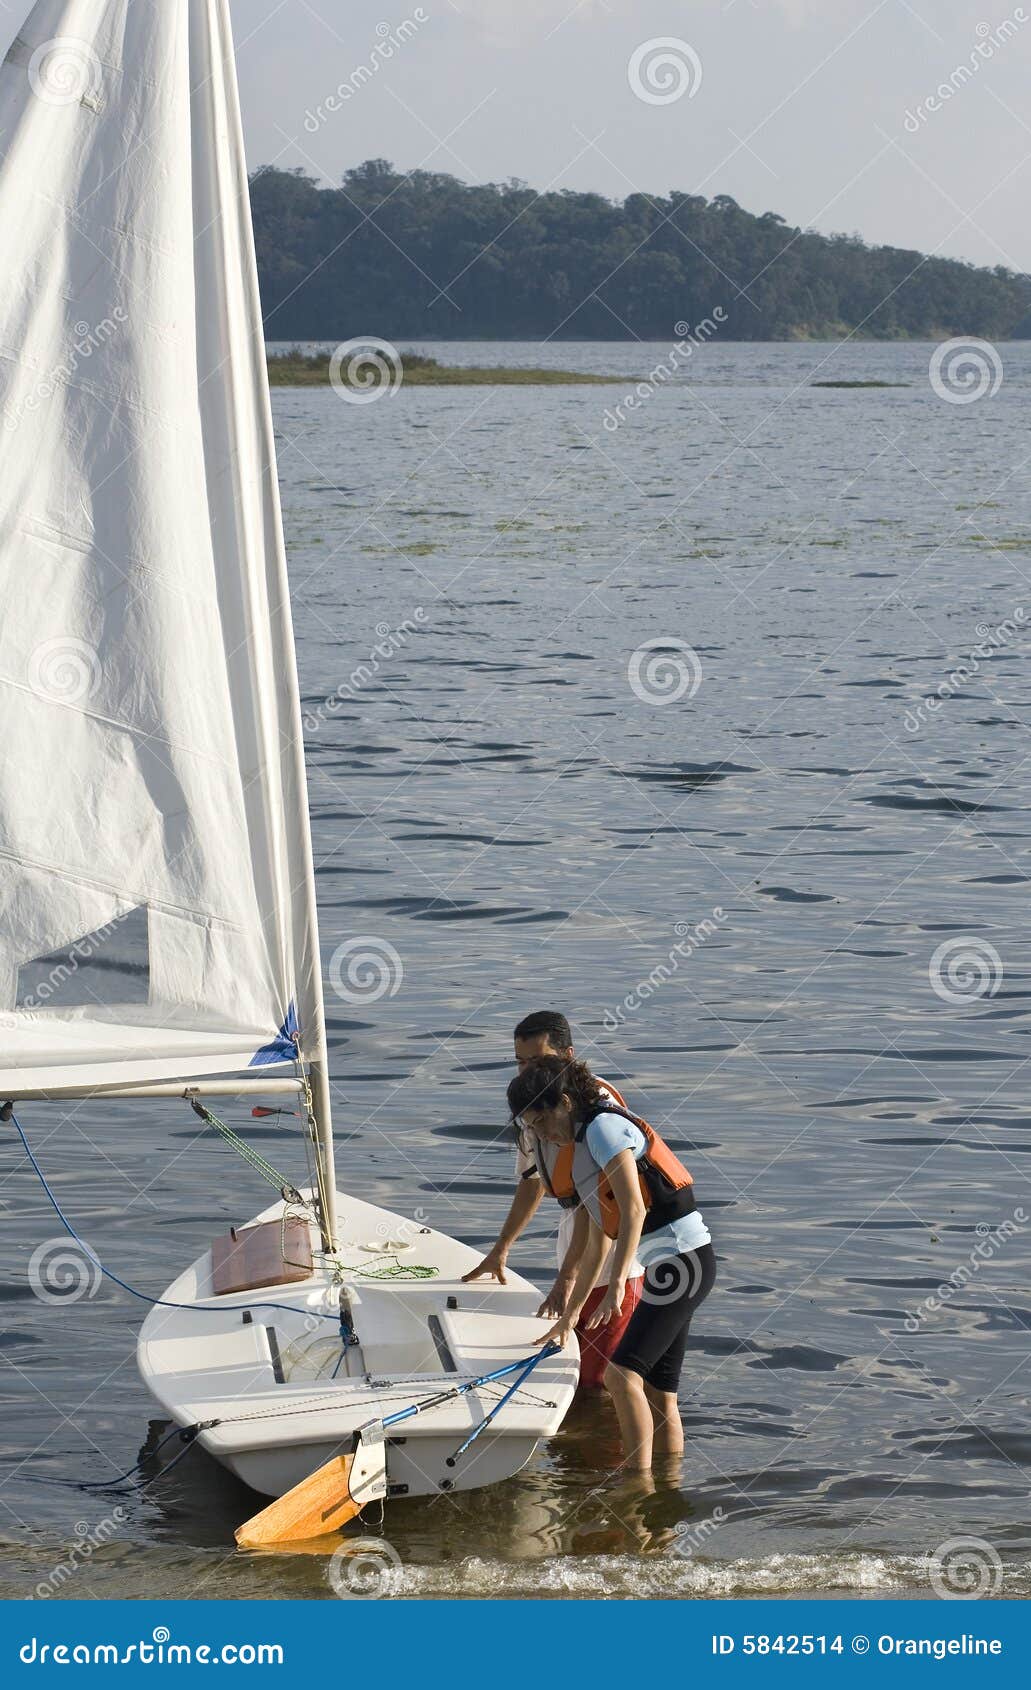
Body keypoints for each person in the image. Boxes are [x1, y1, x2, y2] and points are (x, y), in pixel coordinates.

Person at [506, 1055, 715, 1471]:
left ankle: (636, 1488)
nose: (541, 1135)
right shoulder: (581, 1146)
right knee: (659, 1393)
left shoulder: (602, 1128)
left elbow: (633, 1209)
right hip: (675, 1266)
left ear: (565, 1103)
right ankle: (667, 1486)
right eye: (531, 1127)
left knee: (620, 1377)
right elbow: (593, 1238)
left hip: (682, 1265)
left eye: (541, 1122)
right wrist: (571, 1314)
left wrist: (617, 1283)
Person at [462, 1011, 644, 1389]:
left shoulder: (594, 1110)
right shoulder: (533, 1107)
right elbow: (533, 1182)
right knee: (578, 1377)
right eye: (520, 1062)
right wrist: (501, 1248)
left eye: (538, 1060)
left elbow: (603, 1213)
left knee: (598, 1383)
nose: (528, 1071)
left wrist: (567, 1280)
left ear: (567, 1056)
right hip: (576, 1255)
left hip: (612, 1267)